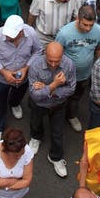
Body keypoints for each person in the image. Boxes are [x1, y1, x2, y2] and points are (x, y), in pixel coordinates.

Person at [27, 40, 77, 178]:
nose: (54, 64)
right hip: (39, 104)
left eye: (57, 61)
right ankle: (36, 137)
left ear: (63, 55)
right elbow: (35, 96)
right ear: (44, 54)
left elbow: (71, 88)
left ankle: (55, 157)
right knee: (36, 122)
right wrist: (55, 84)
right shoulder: (35, 66)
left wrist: (49, 88)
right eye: (50, 61)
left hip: (58, 104)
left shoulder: (69, 65)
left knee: (58, 132)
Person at [56, 3, 100, 133]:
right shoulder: (64, 33)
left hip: (84, 75)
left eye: (91, 25)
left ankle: (71, 116)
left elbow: (99, 48)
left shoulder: (98, 30)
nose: (88, 29)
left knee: (76, 98)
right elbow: (56, 54)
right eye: (85, 24)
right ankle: (56, 119)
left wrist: (98, 68)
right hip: (65, 76)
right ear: (78, 18)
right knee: (60, 98)